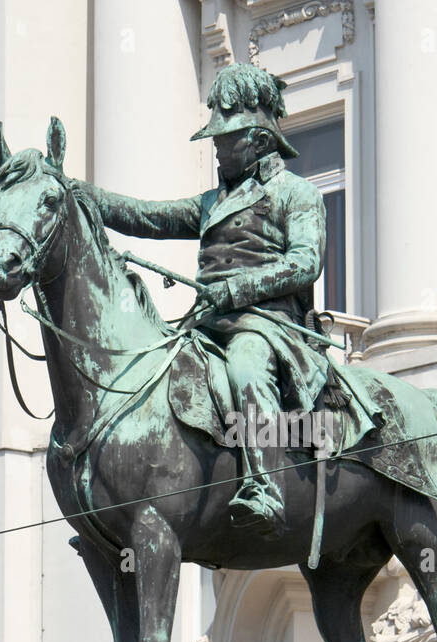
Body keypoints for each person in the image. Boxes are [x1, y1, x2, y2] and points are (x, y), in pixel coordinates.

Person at [77, 63, 331, 536]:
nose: (216, 148)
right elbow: (147, 217)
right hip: (207, 324)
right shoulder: (212, 202)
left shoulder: (296, 194)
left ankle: (266, 487)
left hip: (267, 325)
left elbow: (304, 263)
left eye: (224, 139)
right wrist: (82, 194)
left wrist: (236, 289)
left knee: (245, 370)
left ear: (257, 139)